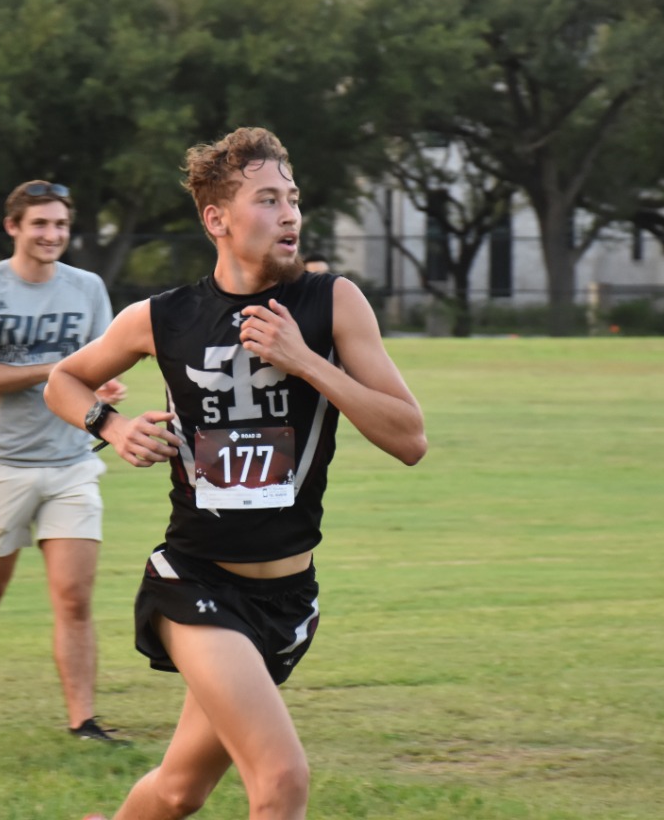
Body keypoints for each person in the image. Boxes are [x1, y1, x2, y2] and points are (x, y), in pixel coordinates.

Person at [44, 127, 427, 820]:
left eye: (294, 199)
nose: (290, 215)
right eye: (268, 199)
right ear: (216, 219)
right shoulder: (162, 318)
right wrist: (114, 427)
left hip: (287, 603)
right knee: (281, 782)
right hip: (195, 582)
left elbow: (410, 438)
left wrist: (308, 361)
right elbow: (63, 381)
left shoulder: (331, 303)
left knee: (178, 790)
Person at [0, 179, 127, 744]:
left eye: (61, 225)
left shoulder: (88, 286)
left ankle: (83, 722)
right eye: (40, 224)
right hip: (3, 466)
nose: (52, 235)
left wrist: (99, 388)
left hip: (71, 462)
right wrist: (58, 373)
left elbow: (101, 363)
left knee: (74, 598)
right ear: (13, 227)